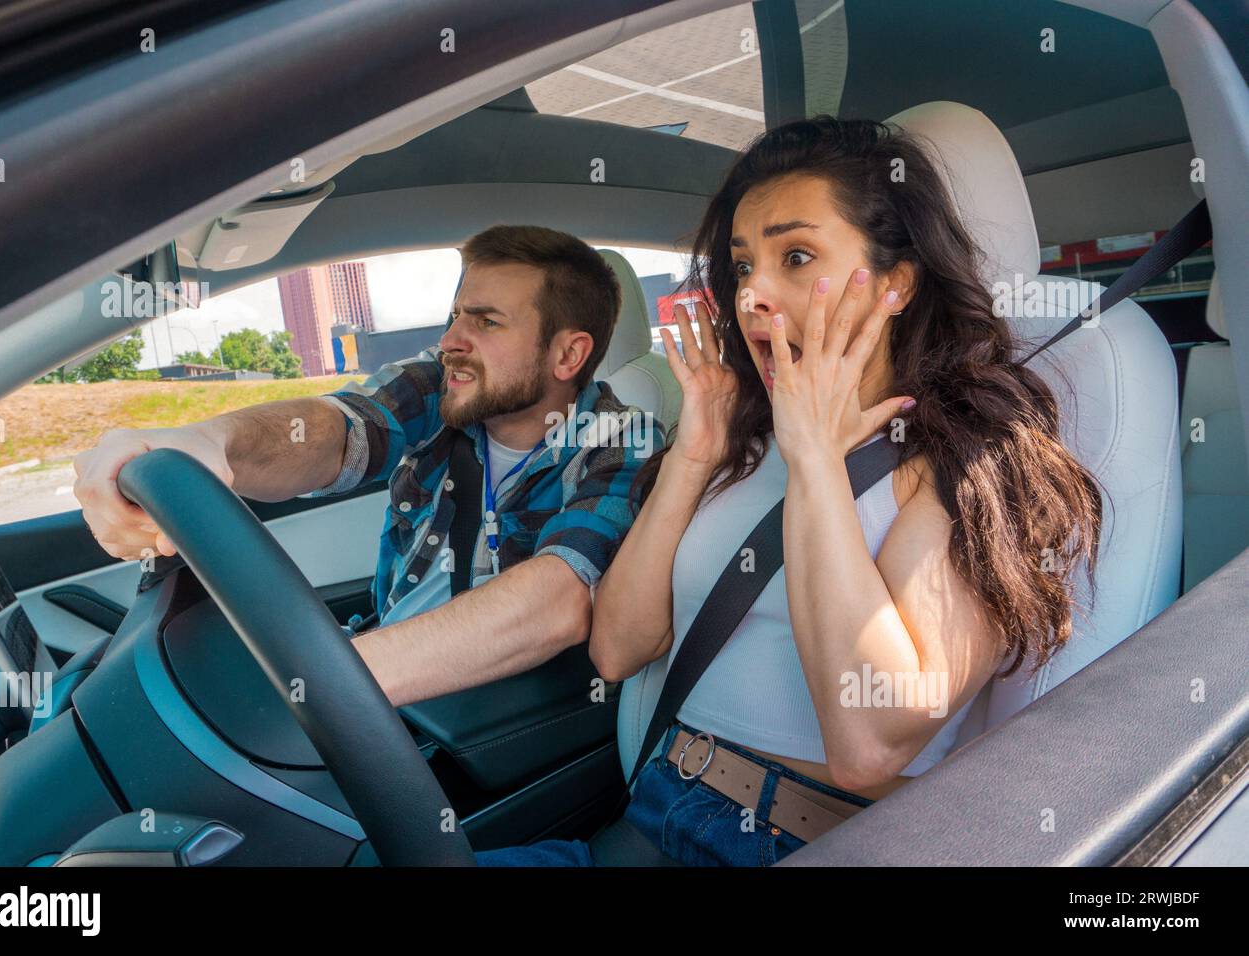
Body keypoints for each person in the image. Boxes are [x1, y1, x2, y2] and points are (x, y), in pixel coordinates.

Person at [477, 116, 1104, 867]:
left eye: (796, 256)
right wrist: (694, 455)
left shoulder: (965, 461)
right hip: (644, 826)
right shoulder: (742, 447)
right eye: (743, 268)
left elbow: (870, 743)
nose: (752, 298)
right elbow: (617, 650)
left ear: (898, 282)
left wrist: (816, 463)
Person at [73, 224, 664, 706]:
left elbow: (559, 600)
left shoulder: (623, 440)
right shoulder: (444, 388)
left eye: (486, 321)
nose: (452, 339)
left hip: (481, 726)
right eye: (456, 314)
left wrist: (318, 685)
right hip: (377, 688)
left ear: (568, 354)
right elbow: (339, 430)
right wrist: (210, 443)